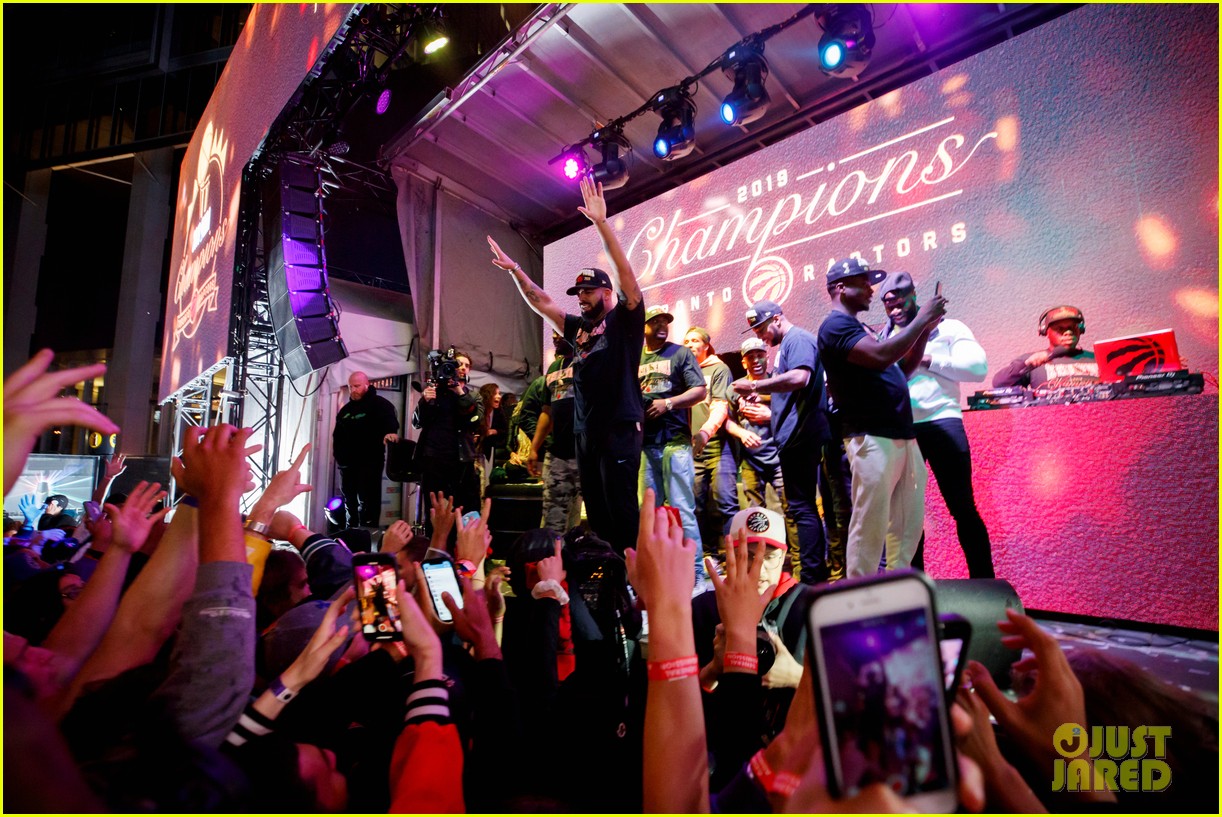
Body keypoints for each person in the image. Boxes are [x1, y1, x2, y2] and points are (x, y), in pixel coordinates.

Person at [489, 176, 645, 553]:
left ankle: (634, 581)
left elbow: (626, 275)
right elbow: (542, 302)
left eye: (588, 291)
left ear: (607, 292)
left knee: (622, 512)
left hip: (619, 428)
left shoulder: (625, 319)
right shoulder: (578, 329)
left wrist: (601, 224)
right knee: (599, 515)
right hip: (584, 434)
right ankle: (608, 577)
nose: (581, 298)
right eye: (578, 293)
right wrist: (515, 271)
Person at [816, 257, 946, 577]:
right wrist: (921, 320)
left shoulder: (860, 328)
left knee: (907, 526)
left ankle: (897, 591)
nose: (870, 289)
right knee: (870, 524)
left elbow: (900, 368)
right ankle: (860, 601)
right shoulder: (835, 325)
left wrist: (925, 331)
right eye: (863, 283)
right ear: (840, 288)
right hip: (871, 435)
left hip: (899, 433)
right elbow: (880, 357)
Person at [880, 272, 995, 578]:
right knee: (908, 516)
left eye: (899, 301)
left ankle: (983, 583)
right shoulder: (885, 337)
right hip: (904, 431)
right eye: (887, 305)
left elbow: (977, 368)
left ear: (914, 295)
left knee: (962, 508)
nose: (893, 310)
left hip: (944, 421)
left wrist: (926, 358)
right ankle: (915, 585)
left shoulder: (950, 327)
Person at [730, 300, 831, 584]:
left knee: (802, 508)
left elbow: (800, 378)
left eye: (761, 328)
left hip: (802, 438)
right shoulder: (787, 344)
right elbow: (790, 391)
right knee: (802, 508)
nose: (760, 335)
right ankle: (812, 574)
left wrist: (754, 385)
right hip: (794, 439)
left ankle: (812, 576)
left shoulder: (797, 339)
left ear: (776, 319)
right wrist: (763, 397)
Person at [638, 306, 707, 559]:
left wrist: (668, 403)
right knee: (648, 510)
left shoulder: (680, 353)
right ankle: (653, 570)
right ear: (643, 327)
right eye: (654, 322)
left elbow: (699, 390)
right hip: (645, 444)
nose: (661, 326)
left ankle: (695, 572)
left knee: (682, 509)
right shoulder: (636, 357)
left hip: (675, 443)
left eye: (665, 321)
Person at [726, 337, 799, 574]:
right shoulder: (735, 387)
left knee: (791, 510)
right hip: (750, 461)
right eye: (750, 356)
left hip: (779, 457)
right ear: (744, 361)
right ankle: (761, 566)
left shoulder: (779, 383)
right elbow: (726, 420)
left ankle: (797, 566)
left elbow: (795, 414)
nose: (756, 360)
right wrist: (740, 433)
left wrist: (771, 415)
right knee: (754, 515)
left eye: (760, 354)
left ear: (767, 356)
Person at [684, 327, 739, 558]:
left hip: (718, 445)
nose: (689, 344)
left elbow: (720, 406)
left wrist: (705, 432)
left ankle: (735, 555)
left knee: (726, 502)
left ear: (707, 345)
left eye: (695, 340)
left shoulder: (719, 369)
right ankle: (707, 556)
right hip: (691, 449)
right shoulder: (683, 372)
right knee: (695, 505)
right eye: (685, 341)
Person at [412, 352, 481, 524]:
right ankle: (434, 546)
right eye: (458, 364)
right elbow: (417, 423)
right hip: (434, 459)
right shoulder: (434, 392)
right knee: (434, 510)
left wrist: (459, 391)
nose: (462, 368)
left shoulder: (472, 396)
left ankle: (462, 547)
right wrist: (424, 401)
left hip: (461, 461)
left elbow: (474, 422)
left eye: (465, 365)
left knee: (464, 508)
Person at [529, 333, 582, 535]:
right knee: (553, 521)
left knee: (585, 521)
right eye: (551, 333)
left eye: (558, 332)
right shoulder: (553, 368)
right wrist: (534, 449)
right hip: (558, 455)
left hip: (585, 454)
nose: (553, 336)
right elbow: (546, 412)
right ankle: (553, 563)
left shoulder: (588, 362)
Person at [332, 372, 400, 528]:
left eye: (357, 386)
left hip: (370, 461)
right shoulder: (345, 411)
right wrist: (340, 459)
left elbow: (390, 423)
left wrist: (391, 433)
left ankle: (367, 532)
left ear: (366, 385)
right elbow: (338, 437)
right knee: (349, 500)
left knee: (368, 499)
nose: (353, 390)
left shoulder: (381, 405)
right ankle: (351, 530)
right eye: (350, 386)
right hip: (347, 465)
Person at [992, 305, 1099, 389]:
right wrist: (1025, 364)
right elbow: (999, 383)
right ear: (1045, 332)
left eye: (1072, 327)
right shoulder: (1033, 359)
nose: (1068, 332)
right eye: (1060, 328)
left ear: (1081, 329)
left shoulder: (1099, 358)